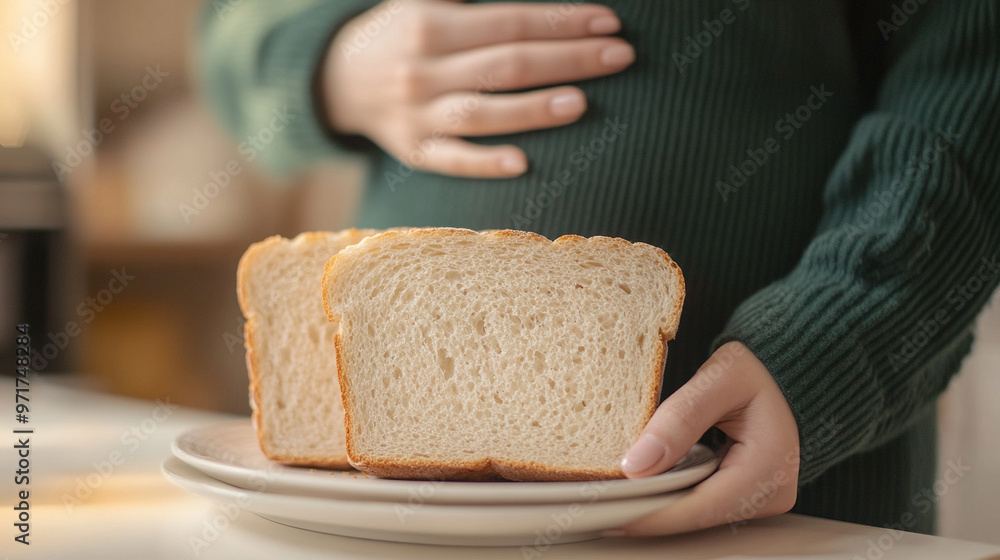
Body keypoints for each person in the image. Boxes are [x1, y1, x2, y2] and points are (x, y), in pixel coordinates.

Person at [199, 0, 1000, 536]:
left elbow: (972, 72)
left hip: (778, 497)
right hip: (372, 513)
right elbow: (231, 27)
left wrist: (840, 337)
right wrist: (325, 60)